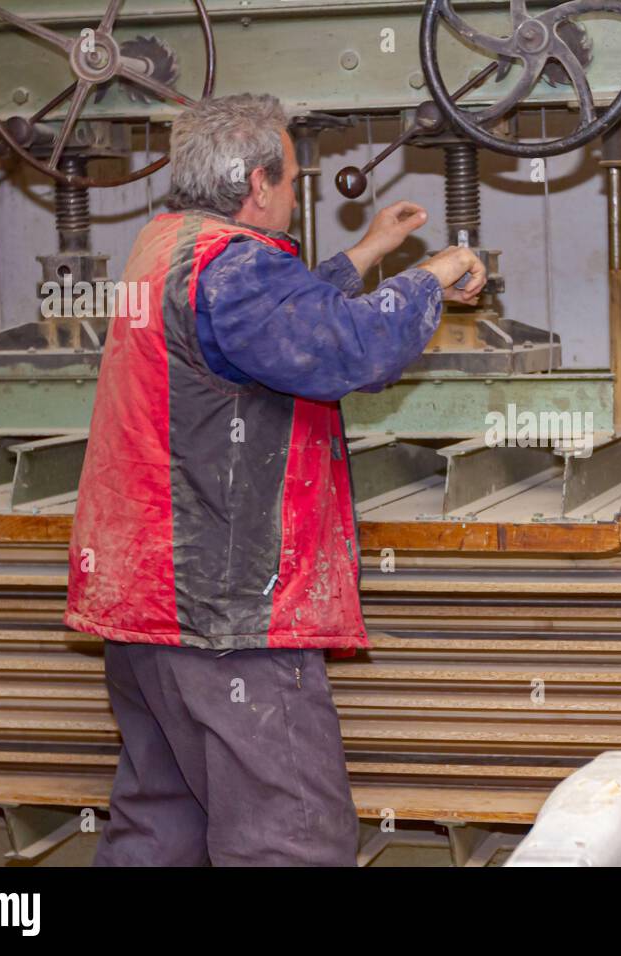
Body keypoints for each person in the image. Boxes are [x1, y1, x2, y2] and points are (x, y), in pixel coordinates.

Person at [64, 93, 486, 865]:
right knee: (288, 839)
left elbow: (270, 322)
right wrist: (433, 273)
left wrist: (367, 252)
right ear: (259, 184)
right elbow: (345, 350)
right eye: (293, 178)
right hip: (227, 618)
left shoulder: (166, 247)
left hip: (145, 609)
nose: (297, 191)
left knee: (161, 826)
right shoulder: (235, 270)